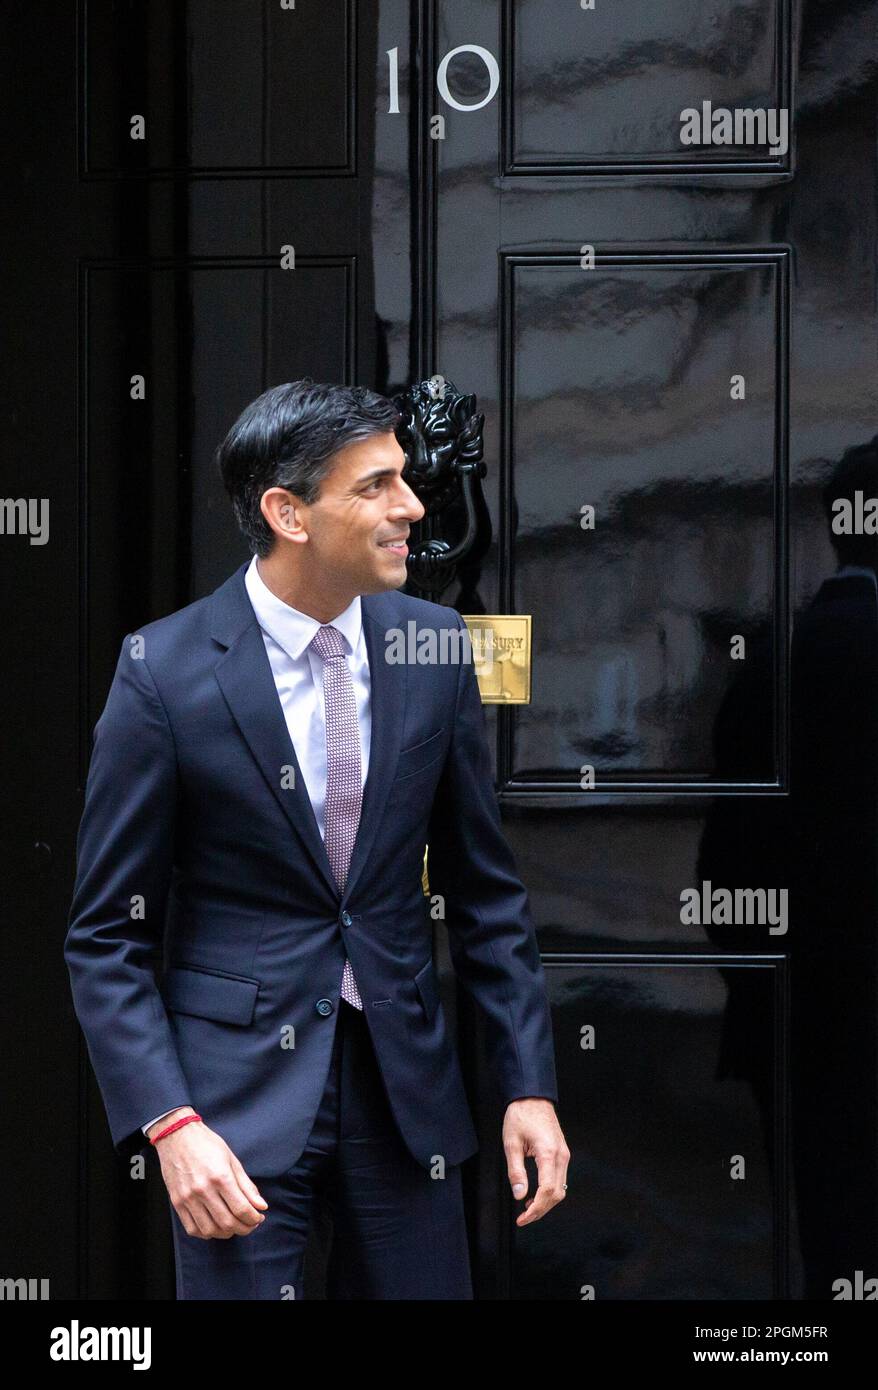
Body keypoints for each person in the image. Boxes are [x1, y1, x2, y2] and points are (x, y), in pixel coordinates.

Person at [64, 378, 568, 1300]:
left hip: (405, 1100)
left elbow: (488, 897)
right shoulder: (164, 673)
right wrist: (171, 1125)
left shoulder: (435, 648)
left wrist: (528, 1084)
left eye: (405, 480)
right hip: (232, 1118)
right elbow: (105, 937)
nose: (412, 507)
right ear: (287, 513)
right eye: (375, 486)